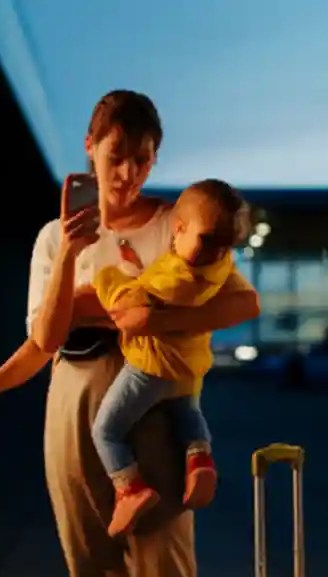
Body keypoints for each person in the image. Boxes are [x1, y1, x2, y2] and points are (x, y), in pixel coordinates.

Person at [0, 89, 259, 577]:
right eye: (117, 156)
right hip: (73, 399)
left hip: (153, 398)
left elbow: (239, 302)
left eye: (143, 159)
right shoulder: (52, 238)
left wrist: (145, 314)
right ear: (90, 148)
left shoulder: (179, 223)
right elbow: (45, 339)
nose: (127, 173)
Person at [91, 179, 250, 537]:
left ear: (177, 228)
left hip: (151, 366)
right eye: (208, 240)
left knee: (106, 430)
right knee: (186, 410)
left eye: (218, 242)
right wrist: (141, 269)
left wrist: (109, 276)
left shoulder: (179, 278)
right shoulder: (221, 267)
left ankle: (129, 487)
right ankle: (199, 457)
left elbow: (132, 303)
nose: (213, 251)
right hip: (188, 367)